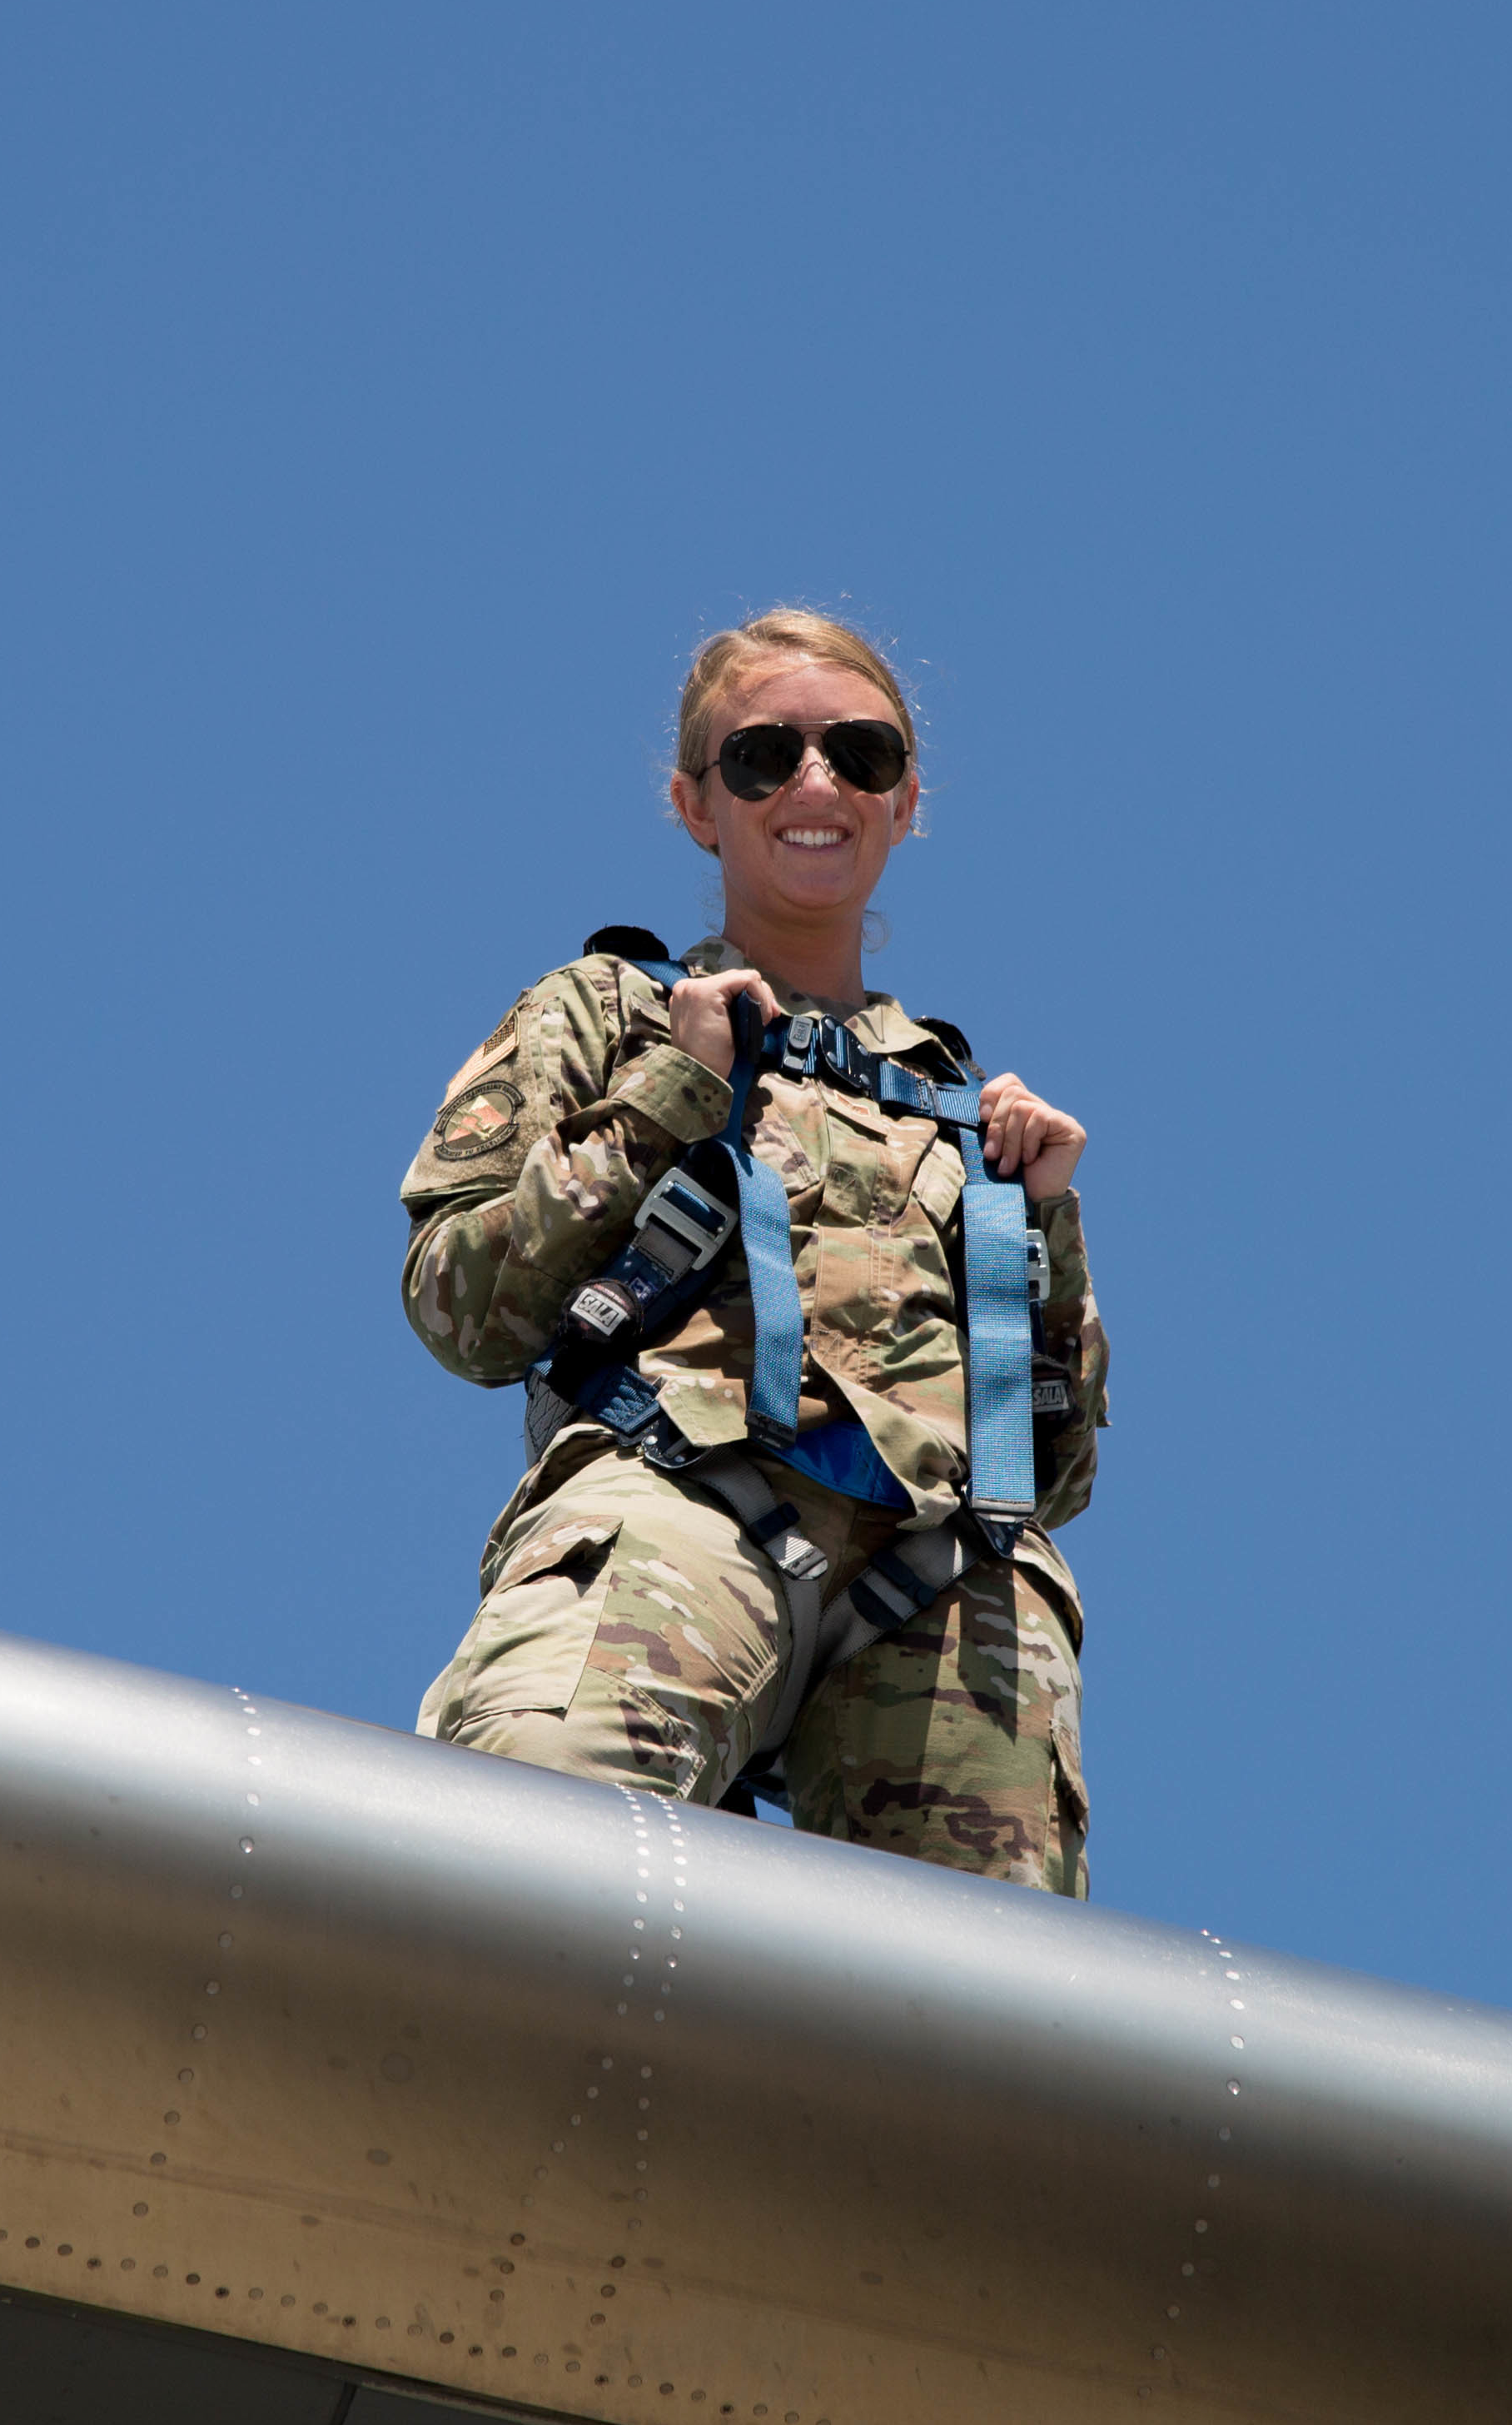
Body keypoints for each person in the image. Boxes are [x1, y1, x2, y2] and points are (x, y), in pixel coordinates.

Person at [399, 610, 1105, 1893]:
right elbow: (462, 1306)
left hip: (950, 1578)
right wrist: (673, 1086)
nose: (817, 784)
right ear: (695, 803)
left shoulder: (958, 1102)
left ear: (906, 805)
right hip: (678, 1494)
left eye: (863, 754)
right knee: (522, 1864)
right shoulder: (606, 1012)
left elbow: (1055, 1470)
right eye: (764, 755)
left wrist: (1040, 1216)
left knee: (993, 2036)